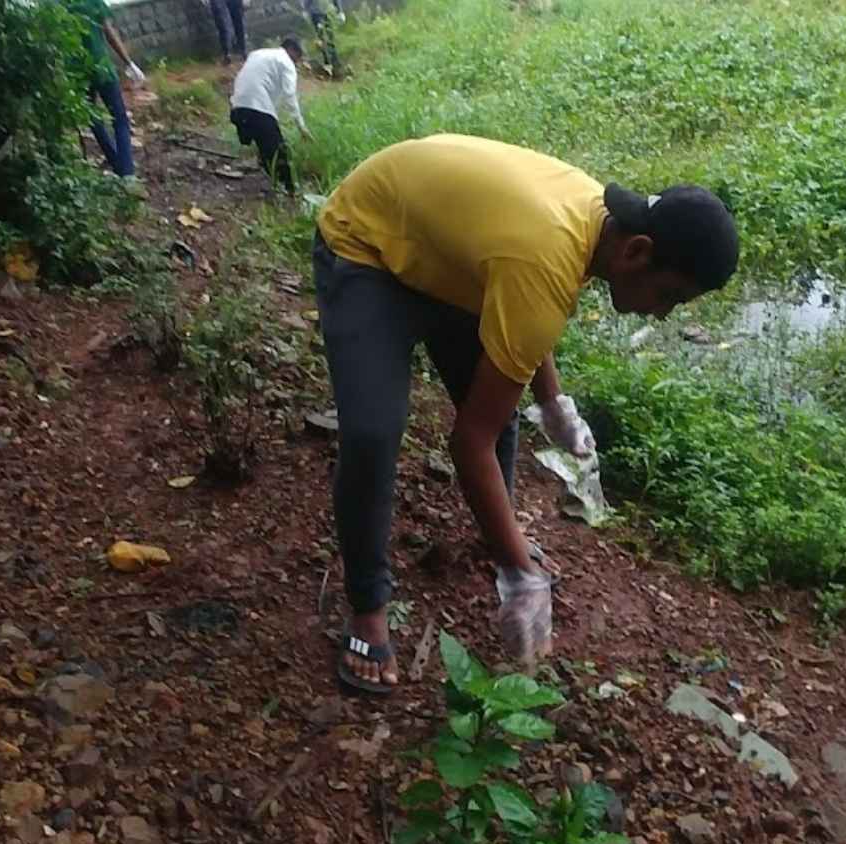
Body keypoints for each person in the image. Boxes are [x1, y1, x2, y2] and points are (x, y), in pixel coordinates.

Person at [312, 134, 738, 691]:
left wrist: (552, 402)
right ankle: (368, 604)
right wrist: (524, 580)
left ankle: (496, 532)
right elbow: (469, 442)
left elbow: (529, 308)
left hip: (448, 254)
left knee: (499, 409)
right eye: (671, 296)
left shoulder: (598, 223)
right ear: (637, 252)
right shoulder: (551, 248)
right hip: (367, 240)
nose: (661, 314)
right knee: (373, 433)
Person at [67, 0, 145, 178]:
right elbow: (109, 32)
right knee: (119, 118)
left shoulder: (56, 4)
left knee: (92, 117)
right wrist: (129, 63)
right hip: (101, 68)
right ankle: (127, 173)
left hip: (77, 73)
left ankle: (116, 161)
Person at [229, 37, 310, 195]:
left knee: (265, 146)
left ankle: (273, 181)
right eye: (298, 58)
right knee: (279, 151)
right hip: (256, 109)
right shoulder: (286, 62)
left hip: (238, 109)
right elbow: (290, 96)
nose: (297, 63)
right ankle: (291, 190)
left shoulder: (258, 54)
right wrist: (301, 127)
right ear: (292, 51)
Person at [303, 0, 343, 76]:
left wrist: (340, 11)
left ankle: (335, 63)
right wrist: (305, 9)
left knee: (330, 38)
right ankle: (327, 62)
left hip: (328, 12)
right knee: (321, 38)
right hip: (316, 13)